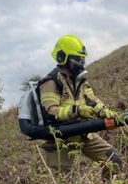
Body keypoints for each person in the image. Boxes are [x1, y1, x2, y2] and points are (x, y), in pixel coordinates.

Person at [38, 35, 123, 172]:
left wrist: (102, 110)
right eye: (77, 59)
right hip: (61, 138)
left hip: (83, 133)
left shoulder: (80, 80)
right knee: (65, 182)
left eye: (82, 59)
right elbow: (51, 112)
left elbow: (92, 100)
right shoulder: (51, 82)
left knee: (114, 160)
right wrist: (77, 110)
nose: (81, 63)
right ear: (62, 58)